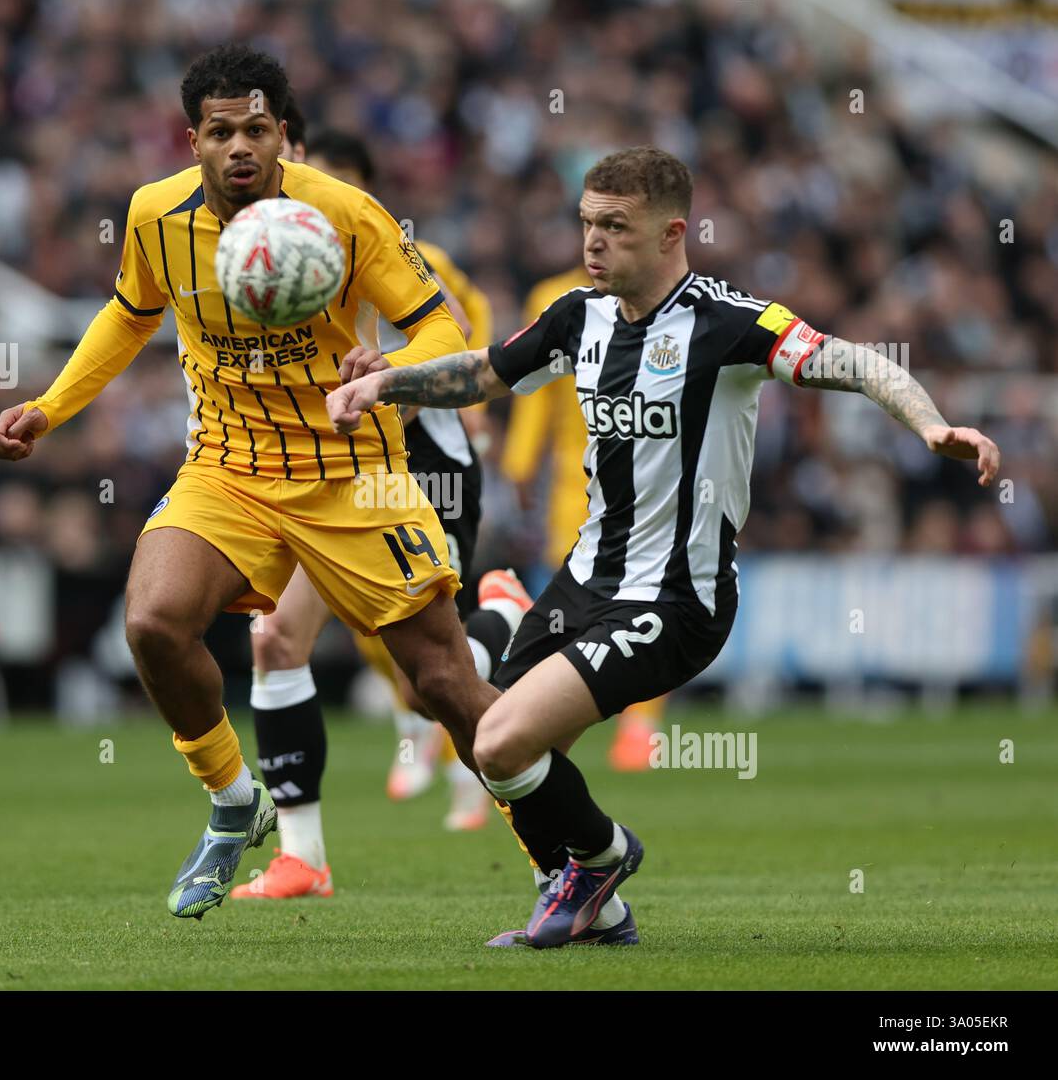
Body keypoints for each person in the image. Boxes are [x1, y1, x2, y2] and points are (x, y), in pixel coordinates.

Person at [327, 145, 1001, 948]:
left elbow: (851, 362)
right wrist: (384, 383)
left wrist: (931, 424)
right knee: (492, 750)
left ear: (672, 232)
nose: (593, 243)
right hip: (583, 582)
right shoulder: (579, 316)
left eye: (615, 227)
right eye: (586, 223)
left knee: (503, 741)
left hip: (677, 600)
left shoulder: (730, 324)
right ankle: (601, 913)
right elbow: (483, 373)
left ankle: (606, 856)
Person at [0, 44, 502, 921]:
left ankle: (568, 852)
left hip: (352, 471)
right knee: (153, 621)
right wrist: (51, 405)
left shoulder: (343, 214)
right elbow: (128, 314)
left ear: (283, 137)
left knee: (441, 682)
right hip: (228, 467)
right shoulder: (154, 215)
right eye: (220, 130)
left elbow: (443, 331)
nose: (239, 147)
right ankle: (235, 800)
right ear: (192, 139)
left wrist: (391, 369)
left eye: (256, 129)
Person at [235, 125, 520, 902]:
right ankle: (303, 859)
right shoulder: (265, 252)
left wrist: (397, 366)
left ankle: (498, 625)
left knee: (433, 675)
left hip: (418, 466)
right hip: (322, 474)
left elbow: (468, 352)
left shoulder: (396, 253)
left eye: (326, 179)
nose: (305, 194)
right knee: (276, 639)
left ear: (358, 188)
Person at [504, 266, 666, 772]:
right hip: (578, 483)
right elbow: (539, 389)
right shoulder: (555, 299)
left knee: (648, 599)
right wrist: (521, 462)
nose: (600, 239)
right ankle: (566, 710)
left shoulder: (670, 302)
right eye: (593, 224)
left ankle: (640, 724)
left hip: (651, 480)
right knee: (577, 607)